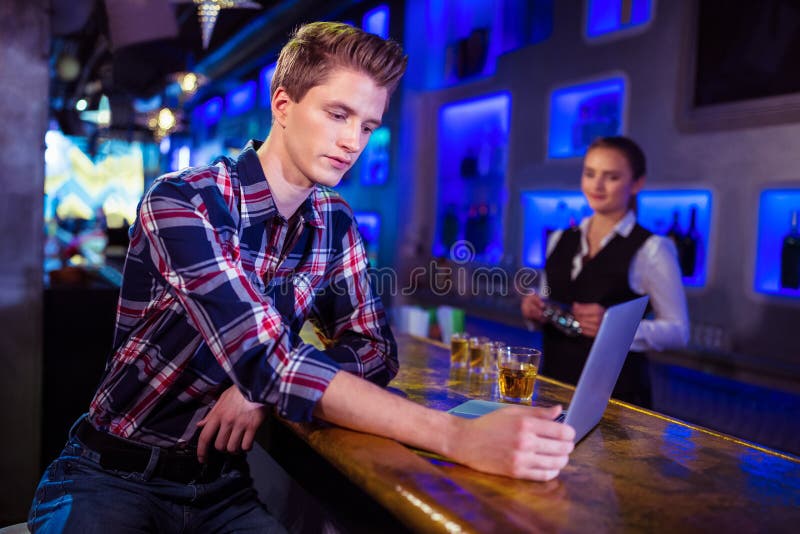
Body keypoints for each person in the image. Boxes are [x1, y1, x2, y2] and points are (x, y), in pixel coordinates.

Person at [29, 22, 575, 533]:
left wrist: (264, 392)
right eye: (338, 114)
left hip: (220, 487)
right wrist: (459, 436)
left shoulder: (334, 222)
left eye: (367, 126)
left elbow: (376, 350)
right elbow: (265, 359)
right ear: (283, 104)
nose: (354, 142)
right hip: (114, 474)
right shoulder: (184, 200)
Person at [521, 136, 689, 408]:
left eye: (611, 177)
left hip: (616, 399)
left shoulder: (653, 248)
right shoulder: (559, 238)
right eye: (590, 174)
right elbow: (549, 301)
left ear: (637, 183)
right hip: (554, 390)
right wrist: (534, 310)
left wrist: (614, 328)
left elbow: (679, 331)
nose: (597, 185)